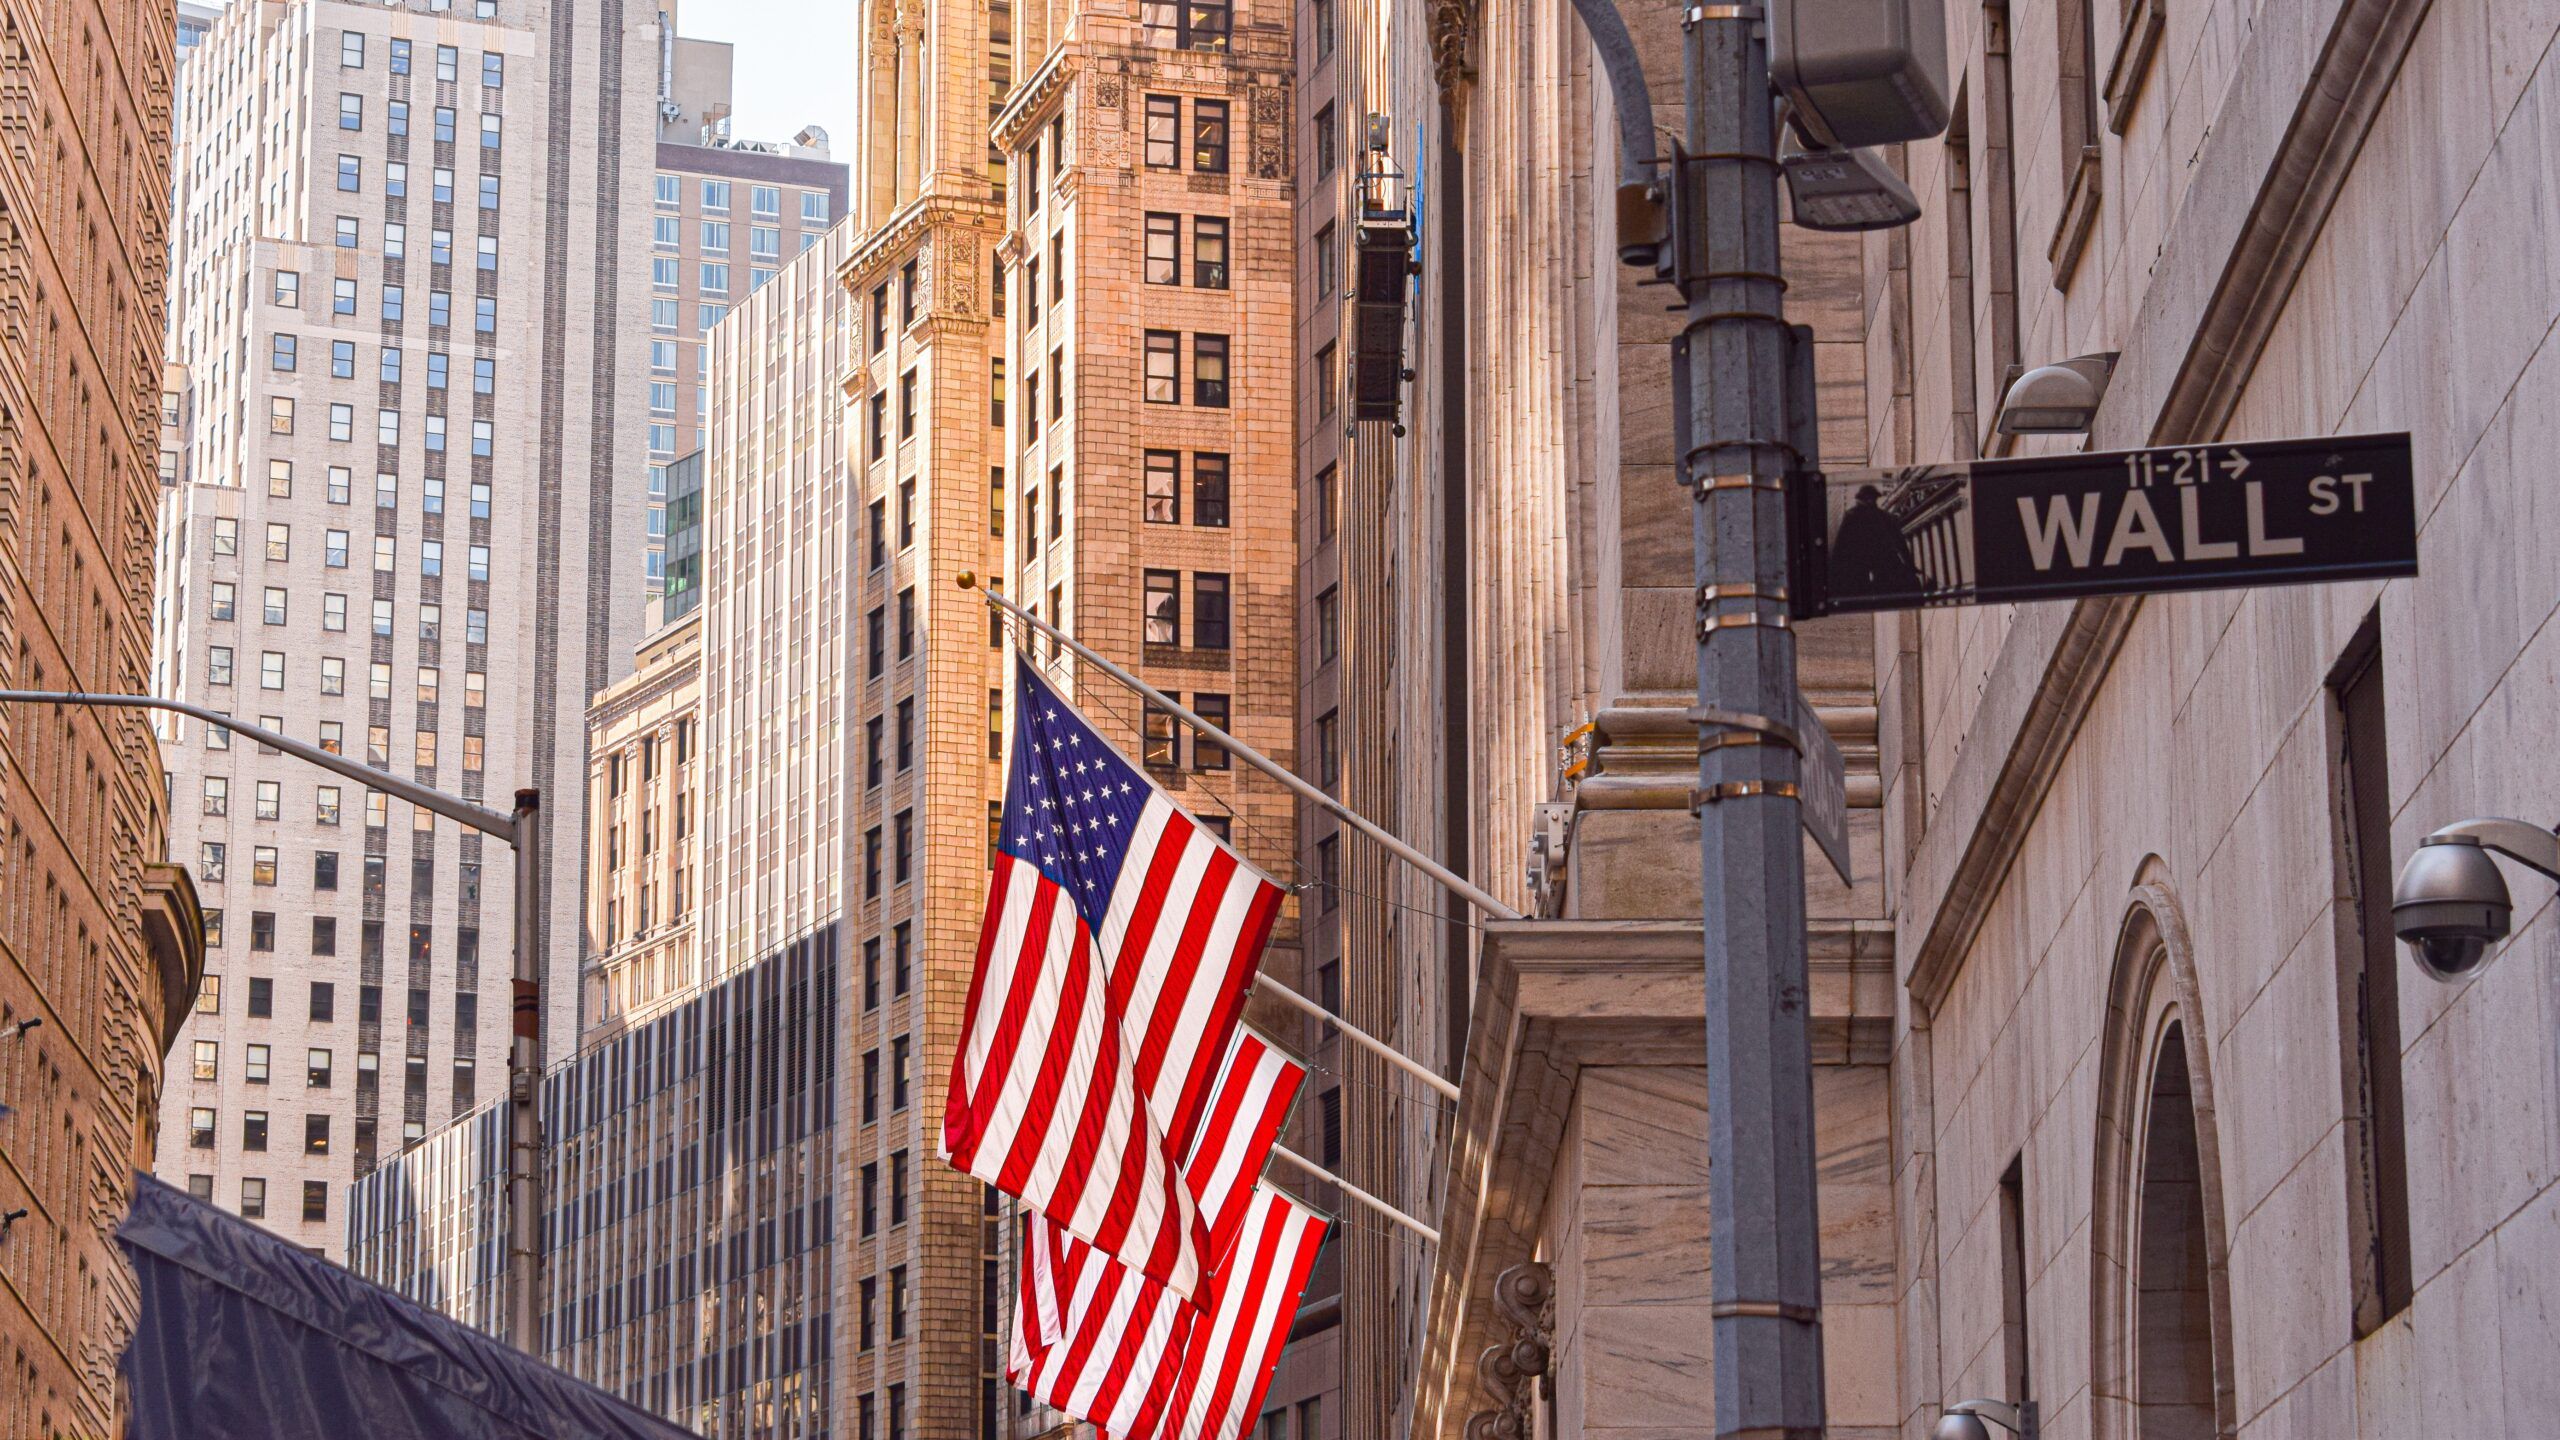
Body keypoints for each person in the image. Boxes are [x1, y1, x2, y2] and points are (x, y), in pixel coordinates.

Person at [1830, 483, 1927, 598]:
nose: (1871, 501)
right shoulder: (1883, 516)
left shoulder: (1854, 515)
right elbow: (1900, 543)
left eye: (1872, 498)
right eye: (1870, 498)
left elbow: (1841, 545)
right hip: (1875, 566)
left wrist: (1835, 568)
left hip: (1868, 566)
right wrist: (1910, 565)